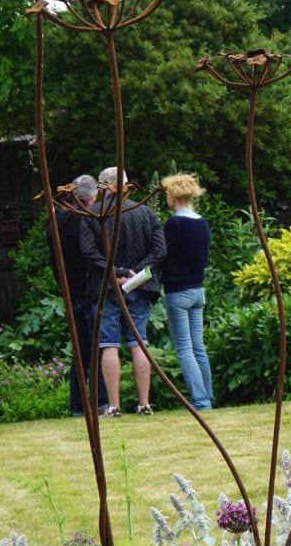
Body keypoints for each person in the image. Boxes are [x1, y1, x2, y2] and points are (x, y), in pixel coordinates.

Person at [80, 166, 166, 417]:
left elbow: (89, 253)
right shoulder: (146, 213)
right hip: (138, 285)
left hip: (105, 287)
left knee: (109, 345)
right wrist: (133, 273)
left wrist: (116, 272)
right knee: (139, 342)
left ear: (103, 187)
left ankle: (114, 406)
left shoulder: (92, 215)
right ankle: (144, 404)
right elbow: (160, 251)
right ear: (127, 185)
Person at [46, 174, 109, 417]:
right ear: (90, 199)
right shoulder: (83, 219)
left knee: (80, 351)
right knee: (97, 347)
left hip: (68, 290)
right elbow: (90, 253)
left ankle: (77, 405)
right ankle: (100, 401)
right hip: (88, 288)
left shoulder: (55, 219)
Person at [160, 173, 213, 411]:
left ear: (173, 196)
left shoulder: (174, 224)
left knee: (184, 348)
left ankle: (200, 401)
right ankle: (207, 396)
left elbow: (164, 256)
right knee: (198, 346)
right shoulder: (202, 222)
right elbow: (204, 257)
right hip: (198, 290)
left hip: (178, 291)